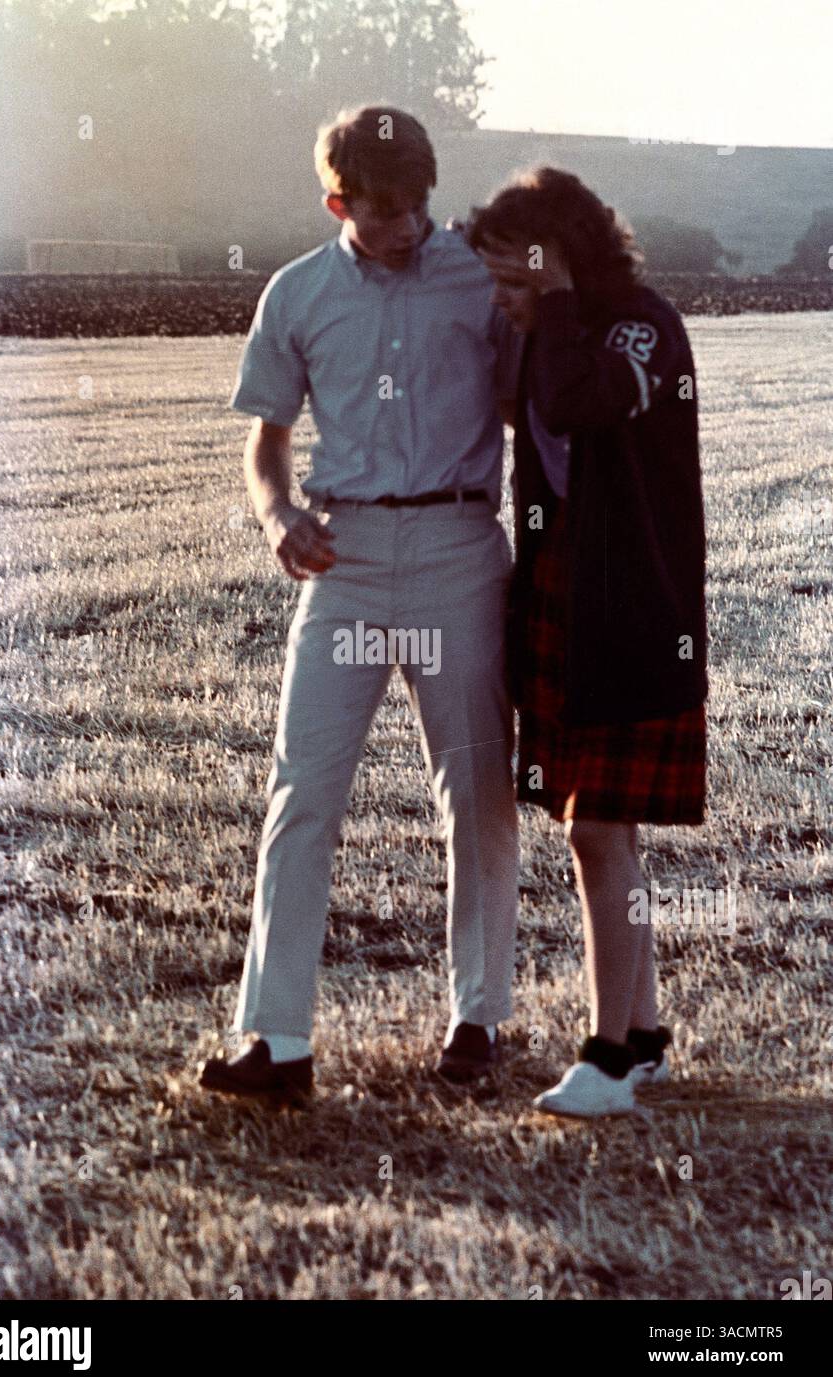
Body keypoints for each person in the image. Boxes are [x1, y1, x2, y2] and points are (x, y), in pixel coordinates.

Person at [200, 106, 521, 1102]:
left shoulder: (478, 275)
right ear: (336, 200)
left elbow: (530, 393)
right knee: (303, 792)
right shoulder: (294, 293)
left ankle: (478, 1018)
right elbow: (265, 442)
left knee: (475, 788)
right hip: (342, 561)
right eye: (382, 211)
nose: (405, 227)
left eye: (418, 206)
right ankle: (277, 1040)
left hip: (458, 549)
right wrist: (277, 514)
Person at [469, 168, 708, 1117]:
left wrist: (557, 297)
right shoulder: (548, 333)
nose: (506, 307)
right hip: (563, 595)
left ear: (567, 266)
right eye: (498, 287)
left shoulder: (637, 327)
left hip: (630, 611)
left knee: (597, 831)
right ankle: (643, 1036)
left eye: (518, 285)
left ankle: (607, 1063)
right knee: (603, 831)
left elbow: (577, 404)